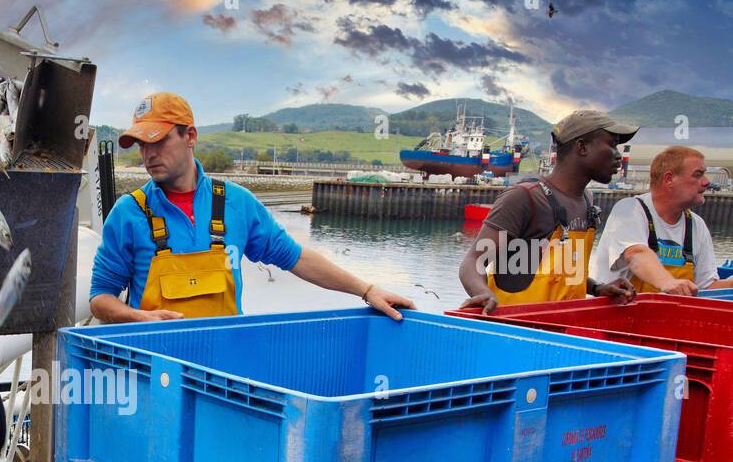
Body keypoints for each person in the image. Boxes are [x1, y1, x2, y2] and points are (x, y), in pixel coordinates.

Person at [89, 92, 414, 323]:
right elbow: (100, 298)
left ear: (190, 136)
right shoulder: (127, 213)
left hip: (222, 377)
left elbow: (296, 258)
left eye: (158, 141)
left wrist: (367, 290)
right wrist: (139, 318)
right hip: (153, 376)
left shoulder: (237, 203)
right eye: (142, 144)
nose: (148, 154)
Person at [458, 109, 638, 313]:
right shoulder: (525, 198)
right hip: (516, 331)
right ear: (582, 147)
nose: (618, 155)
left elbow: (559, 272)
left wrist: (597, 288)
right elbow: (473, 262)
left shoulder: (587, 200)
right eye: (612, 144)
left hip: (564, 331)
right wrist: (483, 293)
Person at [591, 145, 732, 294]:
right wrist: (667, 282)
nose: (706, 182)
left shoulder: (697, 225)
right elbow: (636, 254)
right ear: (669, 179)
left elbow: (705, 287)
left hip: (669, 316)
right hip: (621, 315)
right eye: (698, 174)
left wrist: (730, 284)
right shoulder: (629, 210)